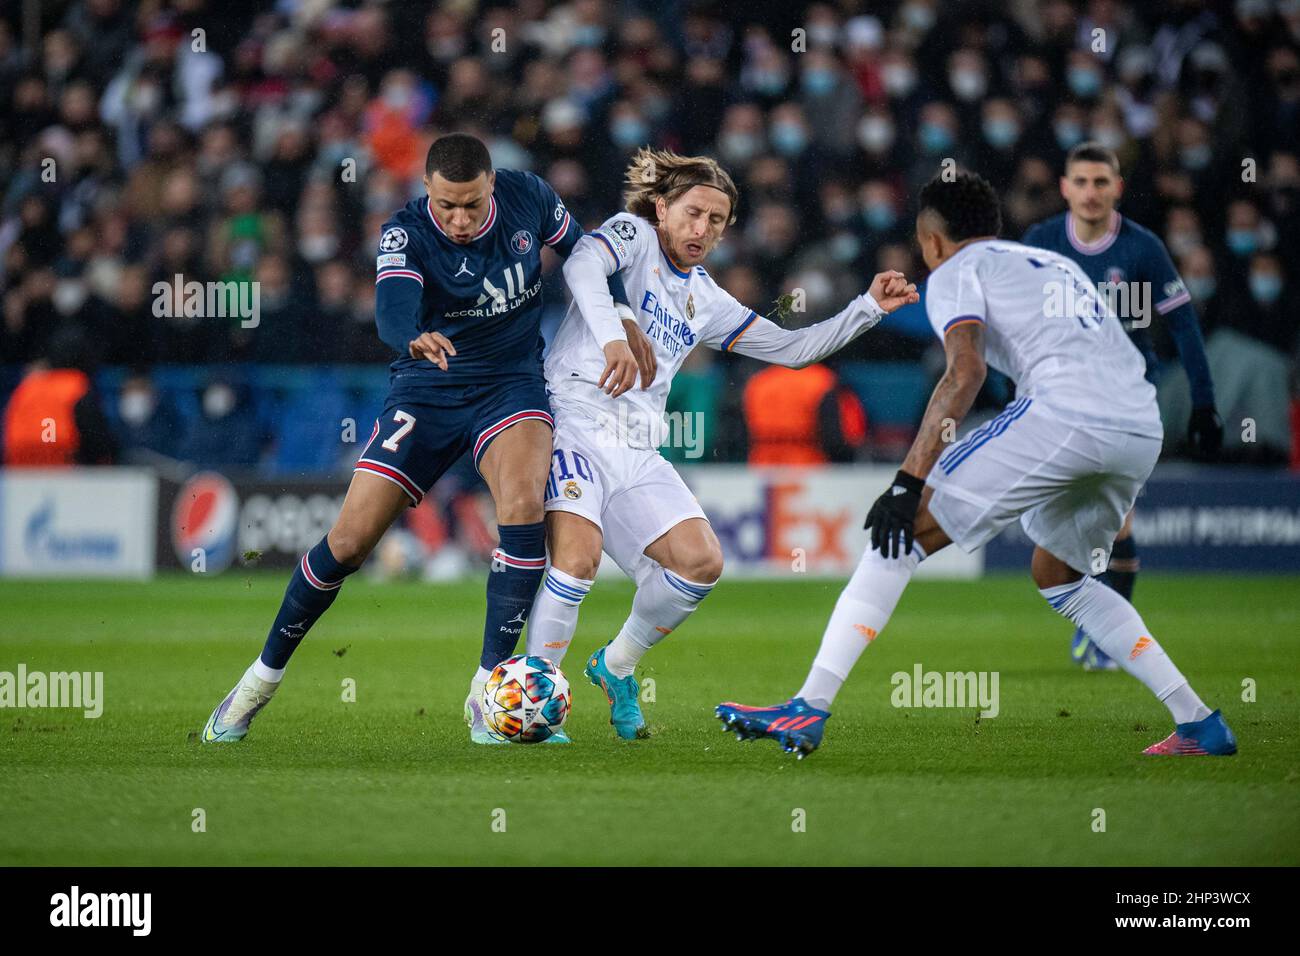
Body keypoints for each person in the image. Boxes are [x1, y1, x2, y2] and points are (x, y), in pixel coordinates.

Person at [716, 171, 1236, 760]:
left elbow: (965, 373)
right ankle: (1198, 722)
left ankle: (807, 707)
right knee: (1059, 575)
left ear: (932, 240)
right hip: (1138, 426)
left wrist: (907, 481)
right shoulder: (1052, 264)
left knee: (897, 536)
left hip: (1065, 415)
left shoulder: (957, 272)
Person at [201, 133, 630, 745]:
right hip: (425, 389)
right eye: (448, 205)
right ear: (427, 189)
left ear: (491, 186)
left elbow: (585, 257)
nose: (461, 219)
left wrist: (622, 317)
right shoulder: (404, 233)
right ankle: (255, 685)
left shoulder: (528, 196)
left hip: (510, 385)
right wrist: (412, 337)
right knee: (348, 543)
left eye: (473, 205)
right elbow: (392, 310)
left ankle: (487, 695)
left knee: (522, 508)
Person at [524, 147, 917, 739]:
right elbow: (579, 267)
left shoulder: (705, 297)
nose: (702, 229)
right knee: (575, 562)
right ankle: (534, 700)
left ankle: (617, 663)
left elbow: (792, 349)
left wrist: (866, 309)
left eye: (716, 220)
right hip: (574, 419)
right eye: (692, 213)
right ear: (662, 208)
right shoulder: (631, 235)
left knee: (701, 563)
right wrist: (613, 337)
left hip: (637, 446)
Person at [1022, 142, 1223, 670]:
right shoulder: (1040, 243)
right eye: (1082, 183)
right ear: (1065, 188)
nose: (1091, 192)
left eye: (1101, 182)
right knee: (1082, 527)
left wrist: (1204, 403)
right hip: (1058, 399)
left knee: (1115, 523)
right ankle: (1103, 629)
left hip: (1123, 401)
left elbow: (1183, 326)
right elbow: (1016, 321)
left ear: (1118, 188)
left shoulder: (1143, 249)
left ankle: (1107, 637)